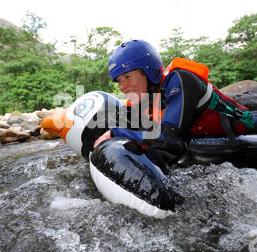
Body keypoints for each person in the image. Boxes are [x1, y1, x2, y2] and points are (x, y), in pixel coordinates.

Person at [93, 39, 256, 166]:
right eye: (119, 81)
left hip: (248, 129)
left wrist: (116, 133)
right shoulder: (143, 100)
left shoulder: (181, 80)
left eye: (127, 77)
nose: (122, 87)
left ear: (149, 72)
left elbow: (170, 143)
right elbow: (121, 124)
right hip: (211, 138)